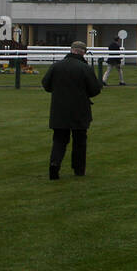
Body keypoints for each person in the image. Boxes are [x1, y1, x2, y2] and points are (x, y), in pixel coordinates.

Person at [41, 40, 102, 180]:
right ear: (83, 53)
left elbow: (46, 85)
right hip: (80, 110)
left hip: (59, 110)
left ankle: (54, 164)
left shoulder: (56, 66)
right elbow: (95, 90)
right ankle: (79, 169)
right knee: (79, 140)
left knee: (59, 140)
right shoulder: (85, 68)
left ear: (71, 50)